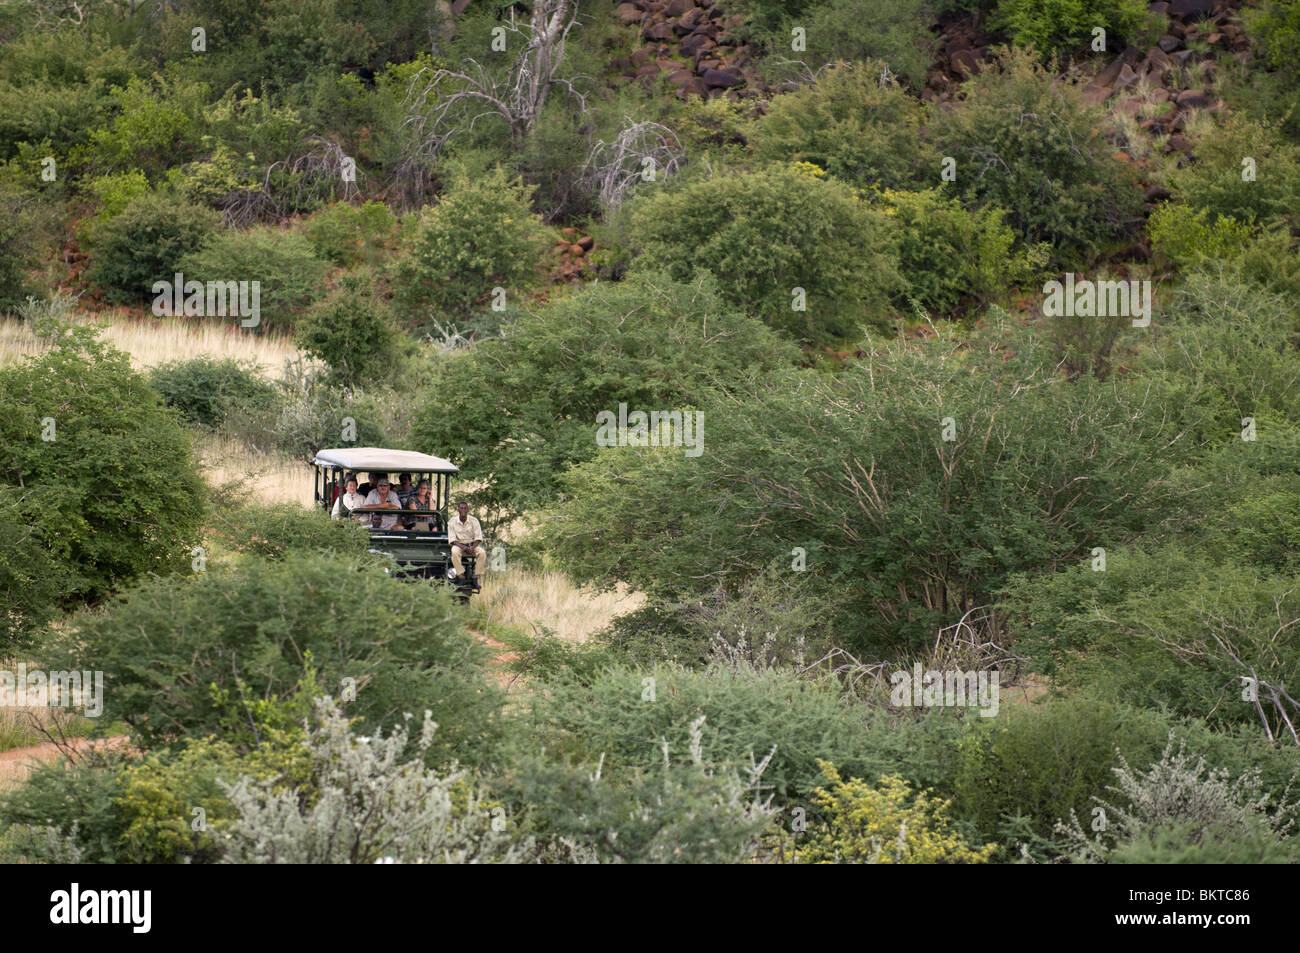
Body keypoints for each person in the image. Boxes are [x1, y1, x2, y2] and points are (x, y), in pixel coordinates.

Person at [448, 501, 485, 585]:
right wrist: (464, 547)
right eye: (461, 508)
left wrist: (472, 547)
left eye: (465, 508)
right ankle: (461, 576)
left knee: (482, 553)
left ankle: (475, 576)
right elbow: (453, 540)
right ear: (458, 510)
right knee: (454, 552)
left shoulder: (474, 520)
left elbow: (478, 538)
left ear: (468, 510)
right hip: (459, 545)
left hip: (472, 545)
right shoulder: (452, 522)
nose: (463, 510)